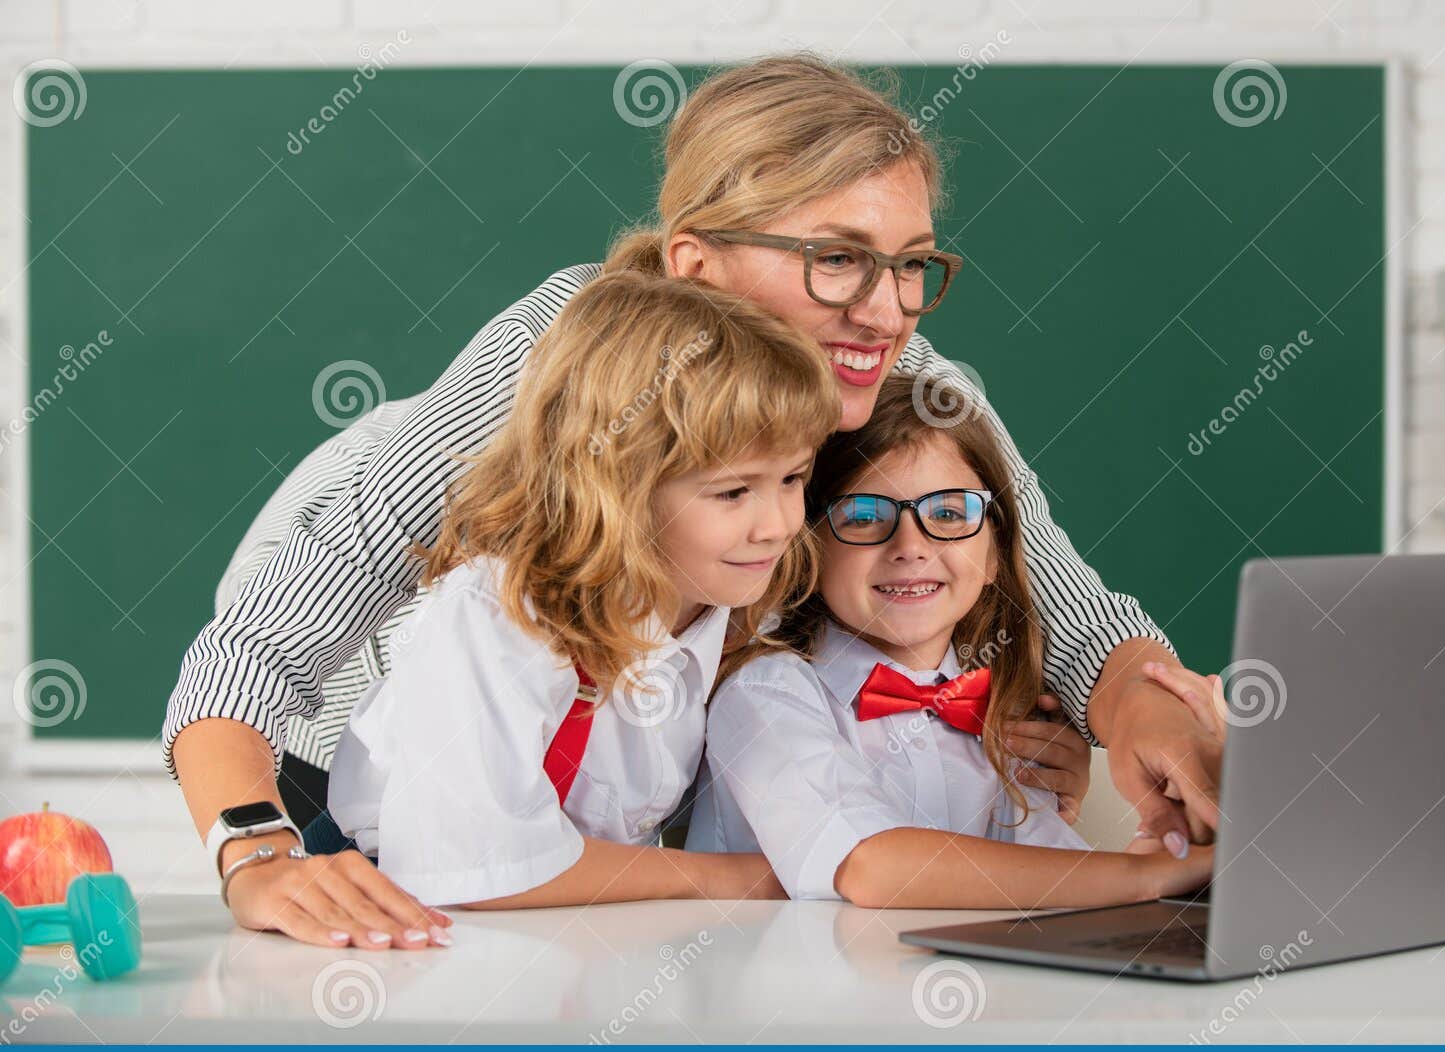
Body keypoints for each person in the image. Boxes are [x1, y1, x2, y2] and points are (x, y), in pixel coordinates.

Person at [166, 53, 1220, 948]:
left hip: (629, 814)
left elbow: (1064, 600)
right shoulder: (556, 367)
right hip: (388, 813)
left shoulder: (899, 375)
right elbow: (262, 641)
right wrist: (255, 847)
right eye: (837, 258)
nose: (888, 307)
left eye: (910, 264)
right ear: (695, 262)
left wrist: (1137, 714)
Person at [308, 272, 833, 921]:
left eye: (792, 478)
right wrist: (742, 877)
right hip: (413, 910)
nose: (779, 523)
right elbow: (477, 870)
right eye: (733, 492)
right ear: (618, 484)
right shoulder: (501, 613)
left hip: (581, 918)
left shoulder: (732, 603)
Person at [687, 375, 1213, 906]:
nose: (912, 546)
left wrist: (1170, 856)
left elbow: (1047, 871)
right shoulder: (764, 694)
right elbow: (871, 865)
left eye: (947, 513)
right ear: (809, 546)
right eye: (865, 516)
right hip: (783, 985)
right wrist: (1141, 878)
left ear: (995, 553)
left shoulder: (1001, 706)